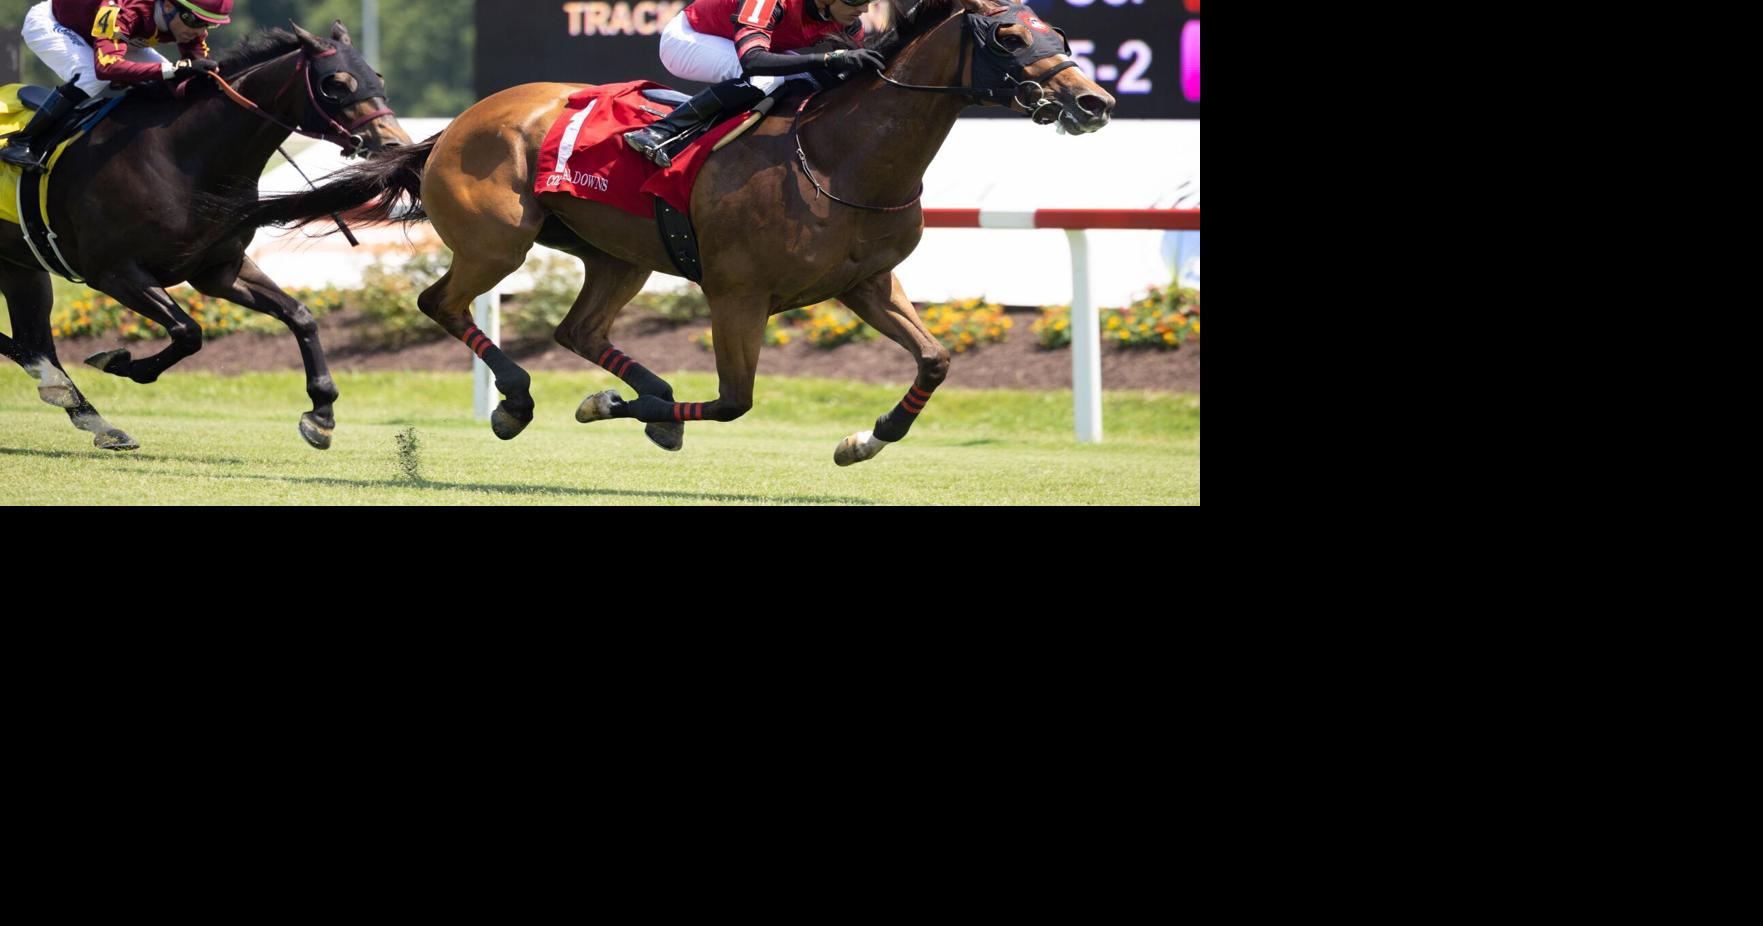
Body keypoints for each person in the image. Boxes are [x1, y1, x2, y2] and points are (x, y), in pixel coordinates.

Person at [624, 0, 886, 168]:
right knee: (767, 78)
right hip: (687, 39)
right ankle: (659, 132)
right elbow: (753, 61)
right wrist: (828, 58)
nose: (864, 9)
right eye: (857, 0)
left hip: (738, 44)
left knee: (811, 78)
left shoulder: (847, 20)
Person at [2, 0, 233, 170]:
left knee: (175, 80)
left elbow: (194, 69)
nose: (200, 31)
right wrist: (173, 70)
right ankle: (22, 142)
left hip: (117, 39)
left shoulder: (185, 22)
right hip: (54, 24)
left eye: (209, 25)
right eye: (195, 21)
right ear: (169, 6)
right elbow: (107, 68)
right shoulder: (125, 9)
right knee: (91, 75)